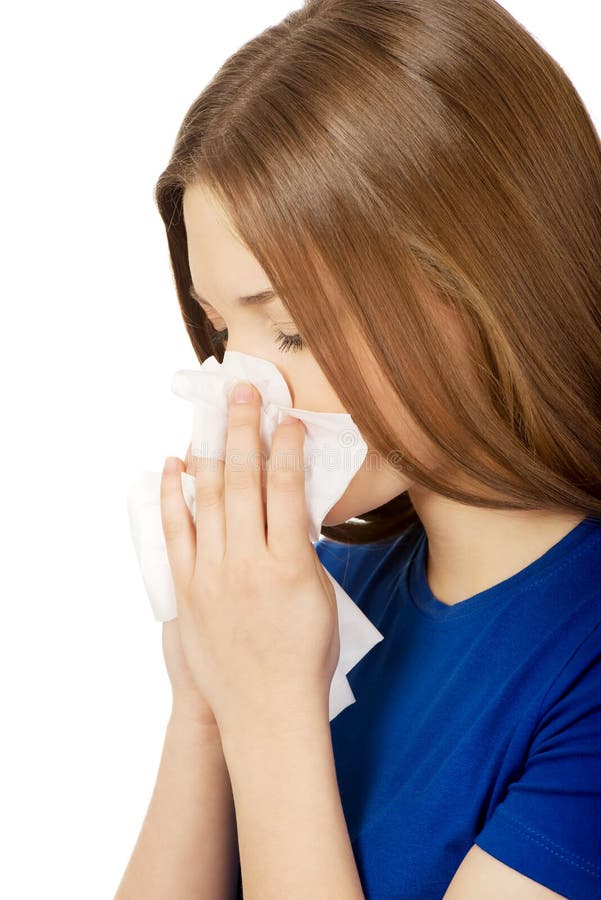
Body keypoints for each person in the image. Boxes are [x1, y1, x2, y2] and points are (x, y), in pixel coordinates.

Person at [114, 1, 601, 897]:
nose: (240, 395)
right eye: (223, 334)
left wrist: (266, 711)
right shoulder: (325, 593)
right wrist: (206, 698)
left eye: (291, 332)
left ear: (486, 282)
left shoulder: (582, 660)